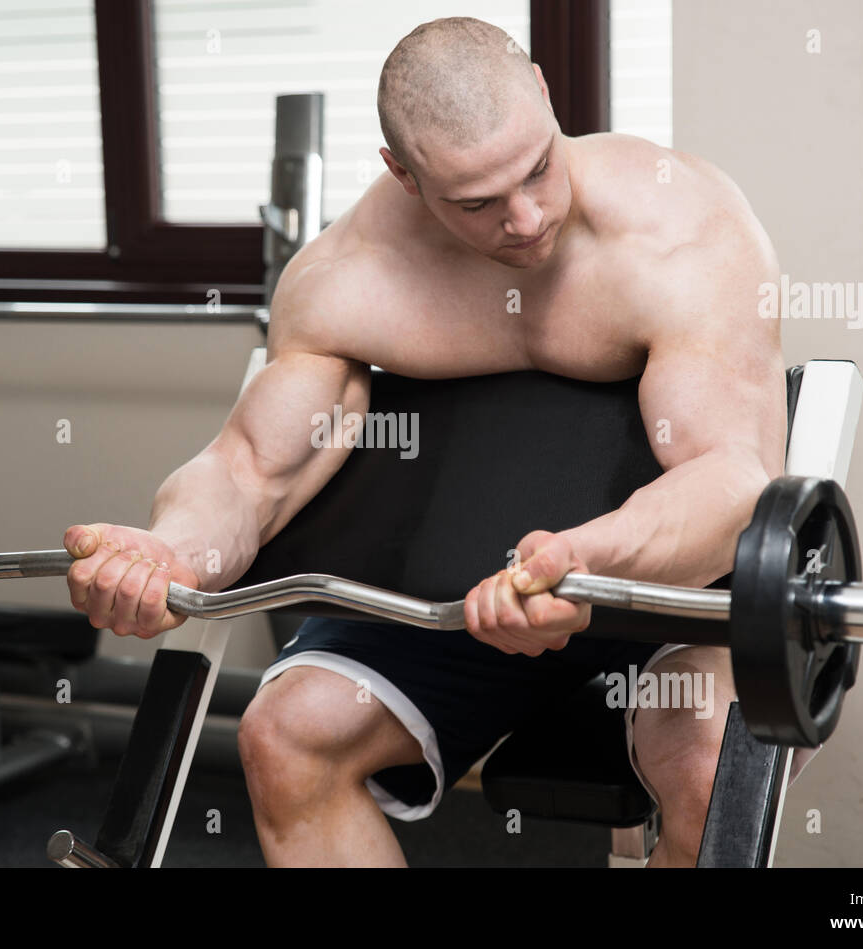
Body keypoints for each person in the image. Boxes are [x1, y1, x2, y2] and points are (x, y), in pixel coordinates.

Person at [64, 17, 796, 866]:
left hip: (665, 589)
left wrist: (583, 562)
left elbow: (731, 475)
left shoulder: (681, 229)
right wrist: (169, 555)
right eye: (477, 203)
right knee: (285, 735)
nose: (524, 219)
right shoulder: (349, 279)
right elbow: (254, 467)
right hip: (459, 602)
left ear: (545, 95)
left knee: (705, 761)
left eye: (538, 170)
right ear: (402, 175)